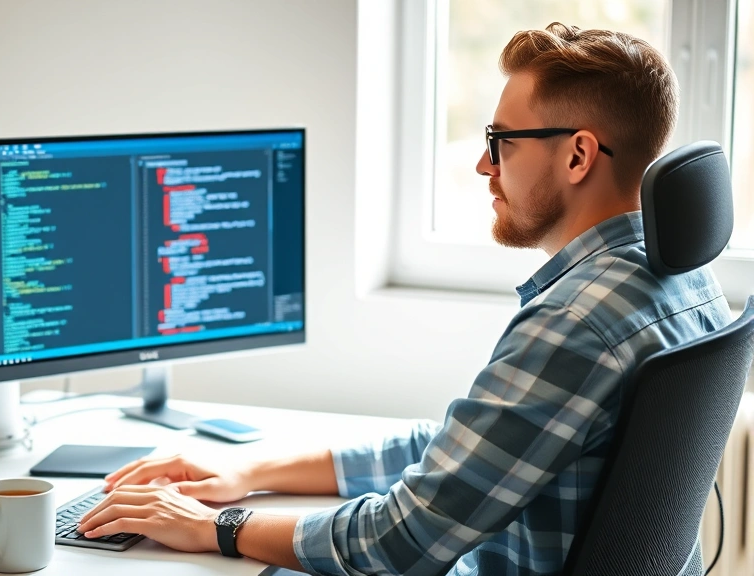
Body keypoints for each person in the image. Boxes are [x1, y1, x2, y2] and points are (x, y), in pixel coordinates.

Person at [78, 22, 732, 575]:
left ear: (578, 155)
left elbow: (401, 541)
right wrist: (250, 469)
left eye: (501, 141)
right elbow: (468, 454)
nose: (485, 166)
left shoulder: (578, 320)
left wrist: (218, 527)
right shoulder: (680, 279)